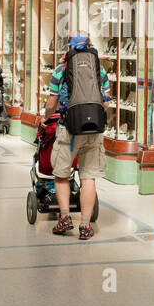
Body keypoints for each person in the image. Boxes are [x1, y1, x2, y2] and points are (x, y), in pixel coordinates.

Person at [45, 32, 110, 240]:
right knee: (88, 176)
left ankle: (64, 218)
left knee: (62, 174)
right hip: (94, 130)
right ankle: (84, 226)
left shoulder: (60, 70)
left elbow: (51, 103)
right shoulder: (99, 70)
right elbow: (106, 103)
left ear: (69, 49)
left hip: (69, 129)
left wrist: (46, 118)